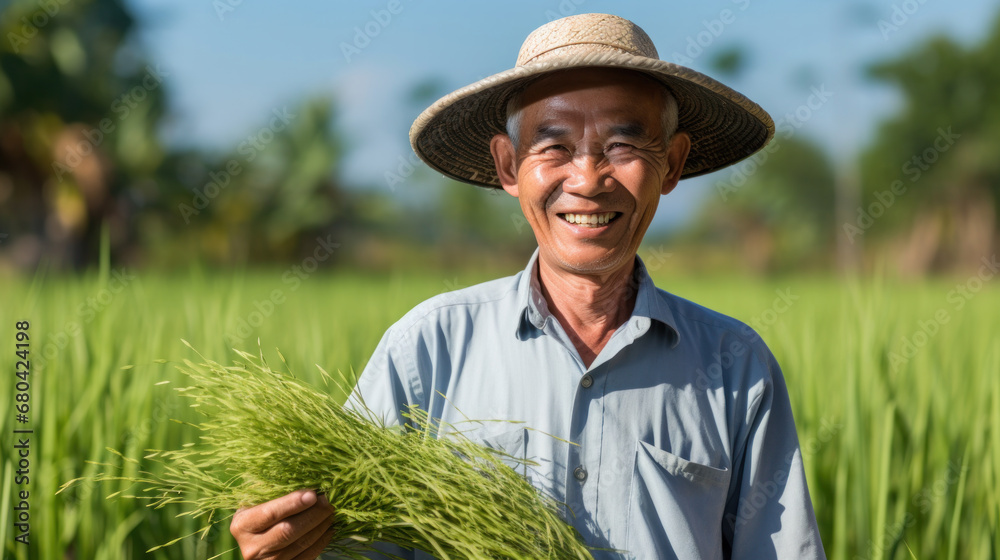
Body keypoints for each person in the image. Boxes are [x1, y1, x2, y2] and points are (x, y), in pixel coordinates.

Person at [230, 13, 826, 560]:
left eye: (622, 145)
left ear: (670, 164)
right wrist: (286, 546)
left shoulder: (735, 366)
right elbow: (354, 546)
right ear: (509, 166)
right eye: (554, 146)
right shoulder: (428, 349)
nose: (588, 179)